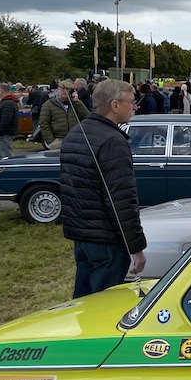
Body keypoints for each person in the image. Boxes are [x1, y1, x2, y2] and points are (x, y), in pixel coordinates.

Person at [60, 79, 146, 298]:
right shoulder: (113, 141)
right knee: (103, 304)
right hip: (106, 238)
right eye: (131, 102)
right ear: (115, 105)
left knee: (83, 298)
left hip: (82, 234)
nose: (134, 107)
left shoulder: (76, 132)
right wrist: (136, 248)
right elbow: (121, 200)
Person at [38, 80, 89, 149]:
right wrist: (51, 141)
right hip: (58, 140)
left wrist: (77, 102)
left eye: (68, 89)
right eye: (62, 89)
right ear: (58, 90)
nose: (65, 91)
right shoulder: (48, 105)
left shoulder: (75, 104)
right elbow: (44, 123)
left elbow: (86, 117)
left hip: (75, 139)